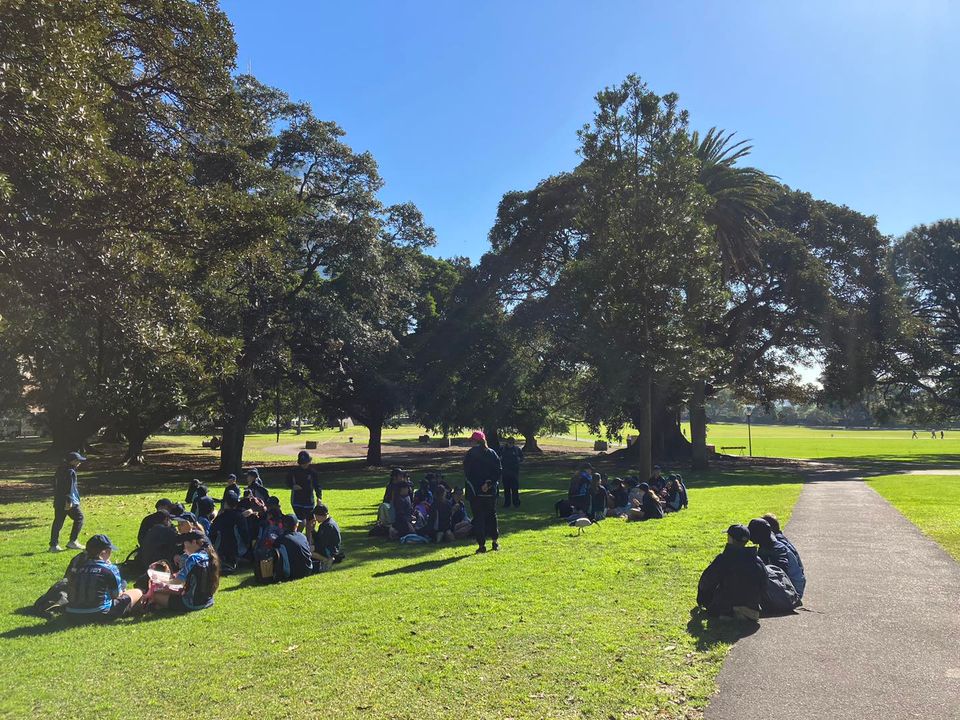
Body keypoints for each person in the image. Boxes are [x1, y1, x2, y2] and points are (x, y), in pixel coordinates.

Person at [696, 524, 767, 621]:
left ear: (730, 539)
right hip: (752, 605)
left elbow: (706, 582)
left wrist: (702, 600)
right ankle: (745, 610)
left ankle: (731, 611)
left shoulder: (724, 559)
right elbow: (764, 583)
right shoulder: (756, 559)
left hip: (727, 604)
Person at [66, 534, 143, 620]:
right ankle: (136, 612)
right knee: (137, 592)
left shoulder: (78, 566)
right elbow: (116, 595)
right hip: (99, 613)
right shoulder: (109, 569)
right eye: (110, 551)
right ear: (104, 552)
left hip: (72, 612)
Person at [150, 531, 219, 612]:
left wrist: (160, 580)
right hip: (208, 601)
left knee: (155, 594)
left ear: (193, 542)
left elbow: (178, 581)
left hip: (191, 603)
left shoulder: (193, 558)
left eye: (185, 545)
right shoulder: (208, 555)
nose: (184, 549)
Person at [463, 430, 502, 553]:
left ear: (475, 441)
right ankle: (495, 542)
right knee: (492, 515)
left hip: (476, 492)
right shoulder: (492, 453)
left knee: (478, 518)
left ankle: (481, 545)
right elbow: (498, 471)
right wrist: (488, 484)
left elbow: (468, 473)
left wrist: (480, 486)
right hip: (490, 492)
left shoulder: (470, 454)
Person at [748, 518, 806, 598]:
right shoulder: (768, 543)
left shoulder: (777, 549)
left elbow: (780, 574)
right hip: (791, 587)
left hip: (793, 593)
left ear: (757, 535)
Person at [50, 451, 86, 552]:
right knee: (80, 518)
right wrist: (69, 501)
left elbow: (56, 485)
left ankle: (53, 545)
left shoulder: (60, 469)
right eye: (78, 461)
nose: (79, 463)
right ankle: (73, 541)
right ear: (73, 461)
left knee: (58, 522)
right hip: (68, 501)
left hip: (58, 500)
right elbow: (67, 488)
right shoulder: (70, 472)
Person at [209, 494, 251, 572]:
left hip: (222, 549)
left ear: (225, 503)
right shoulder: (239, 516)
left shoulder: (220, 518)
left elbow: (212, 534)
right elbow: (245, 535)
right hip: (237, 549)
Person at [287, 451, 322, 532]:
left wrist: (319, 497)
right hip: (297, 500)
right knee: (302, 521)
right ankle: (297, 536)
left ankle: (309, 541)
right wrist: (293, 486)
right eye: (302, 463)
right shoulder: (293, 471)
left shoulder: (312, 472)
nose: (304, 464)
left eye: (306, 462)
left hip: (309, 500)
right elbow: (288, 482)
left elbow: (317, 485)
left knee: (311, 521)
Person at [275, 514, 313, 580]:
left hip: (293, 574)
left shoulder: (281, 539)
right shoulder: (302, 536)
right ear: (296, 525)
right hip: (308, 569)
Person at [310, 503, 342, 571]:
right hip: (327, 547)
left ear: (321, 515)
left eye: (316, 515)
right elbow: (318, 538)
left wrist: (313, 547)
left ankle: (326, 560)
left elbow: (323, 543)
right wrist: (313, 530)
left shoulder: (328, 526)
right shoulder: (325, 524)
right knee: (310, 548)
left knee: (308, 551)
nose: (315, 518)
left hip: (331, 550)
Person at [500, 437, 524, 508]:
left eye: (512, 443)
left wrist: (519, 459)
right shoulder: (502, 449)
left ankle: (516, 503)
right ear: (507, 443)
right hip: (505, 472)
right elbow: (498, 457)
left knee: (515, 489)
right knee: (506, 489)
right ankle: (507, 503)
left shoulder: (517, 449)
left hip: (514, 472)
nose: (511, 444)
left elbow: (522, 457)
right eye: (509, 443)